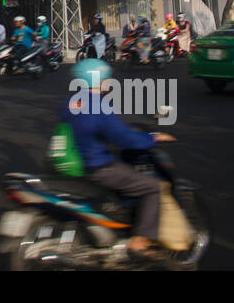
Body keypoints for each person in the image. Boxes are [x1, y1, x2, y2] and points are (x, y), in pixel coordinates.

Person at [62, 59, 175, 258]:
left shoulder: (73, 101)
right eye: (106, 77)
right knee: (152, 187)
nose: (109, 81)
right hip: (98, 165)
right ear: (98, 79)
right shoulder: (98, 105)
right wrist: (152, 138)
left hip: (76, 162)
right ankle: (140, 240)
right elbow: (124, 138)